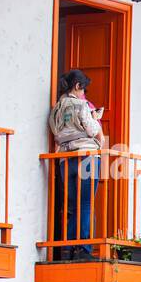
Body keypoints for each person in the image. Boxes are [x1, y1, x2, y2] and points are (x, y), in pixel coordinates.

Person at [48, 69, 105, 261]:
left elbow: (55, 131)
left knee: (73, 205)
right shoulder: (81, 105)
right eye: (84, 89)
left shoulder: (55, 109)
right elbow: (92, 129)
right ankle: (83, 250)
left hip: (65, 159)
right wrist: (96, 118)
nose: (84, 94)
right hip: (86, 157)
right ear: (78, 86)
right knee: (86, 204)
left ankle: (68, 249)